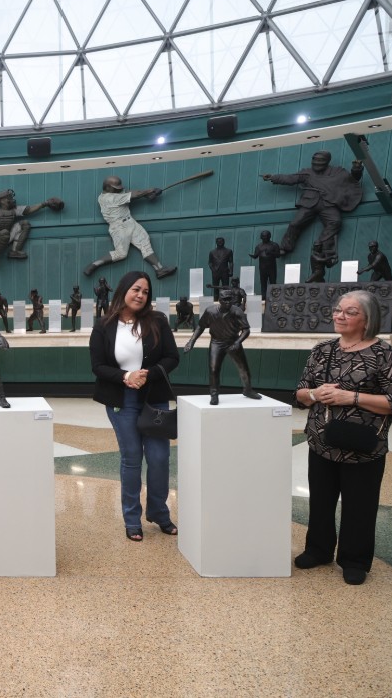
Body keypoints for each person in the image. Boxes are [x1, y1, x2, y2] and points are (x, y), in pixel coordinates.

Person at [294, 290, 392, 585]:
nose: (339, 316)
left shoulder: (384, 354)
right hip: (322, 442)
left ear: (367, 319)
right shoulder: (322, 350)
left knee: (360, 504)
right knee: (320, 501)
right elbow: (300, 393)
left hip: (363, 446)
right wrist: (313, 394)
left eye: (349, 312)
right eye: (337, 310)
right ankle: (318, 550)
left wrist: (352, 397)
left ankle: (355, 559)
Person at [89, 270, 179, 542]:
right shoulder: (104, 325)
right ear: (124, 290)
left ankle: (159, 514)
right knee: (131, 460)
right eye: (136, 289)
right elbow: (98, 367)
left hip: (154, 399)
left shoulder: (157, 321)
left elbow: (172, 357)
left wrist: (147, 374)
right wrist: (126, 376)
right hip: (121, 401)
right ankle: (132, 519)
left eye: (146, 291)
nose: (141, 295)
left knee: (159, 458)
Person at [261, 151, 364, 262]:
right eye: (314, 160)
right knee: (295, 223)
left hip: (328, 203)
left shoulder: (337, 172)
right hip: (309, 203)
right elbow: (291, 178)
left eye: (320, 161)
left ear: (327, 161)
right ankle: (285, 247)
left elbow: (352, 179)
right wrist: (273, 177)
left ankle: (321, 247)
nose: (316, 163)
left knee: (335, 222)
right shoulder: (307, 173)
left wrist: (356, 168)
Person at [84, 176, 177, 279]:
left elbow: (128, 192)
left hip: (130, 222)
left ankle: (159, 269)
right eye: (116, 188)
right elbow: (133, 195)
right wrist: (150, 190)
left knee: (144, 242)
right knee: (121, 254)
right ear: (108, 188)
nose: (118, 189)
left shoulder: (115, 193)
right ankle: (95, 264)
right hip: (119, 227)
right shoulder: (107, 198)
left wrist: (146, 195)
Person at [183, 288, 261, 405]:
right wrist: (191, 342)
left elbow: (246, 330)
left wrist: (238, 342)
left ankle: (248, 390)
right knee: (214, 369)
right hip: (216, 343)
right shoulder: (210, 311)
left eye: (230, 299)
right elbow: (200, 327)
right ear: (219, 300)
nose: (228, 302)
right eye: (225, 300)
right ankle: (214, 395)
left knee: (243, 367)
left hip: (233, 341)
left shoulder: (237, 311)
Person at [0, 189, 61, 268]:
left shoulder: (14, 210)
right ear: (2, 201)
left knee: (25, 224)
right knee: (4, 232)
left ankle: (15, 251)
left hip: (5, 236)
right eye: (9, 197)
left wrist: (45, 203)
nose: (11, 199)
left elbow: (29, 209)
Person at [249, 230, 285, 296]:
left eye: (266, 236)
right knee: (263, 283)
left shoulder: (274, 245)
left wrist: (271, 253)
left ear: (269, 236)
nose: (264, 238)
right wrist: (253, 256)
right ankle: (264, 297)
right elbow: (256, 255)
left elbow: (278, 255)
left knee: (273, 283)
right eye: (263, 236)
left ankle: (274, 296)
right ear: (261, 237)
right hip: (262, 267)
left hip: (271, 267)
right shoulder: (258, 246)